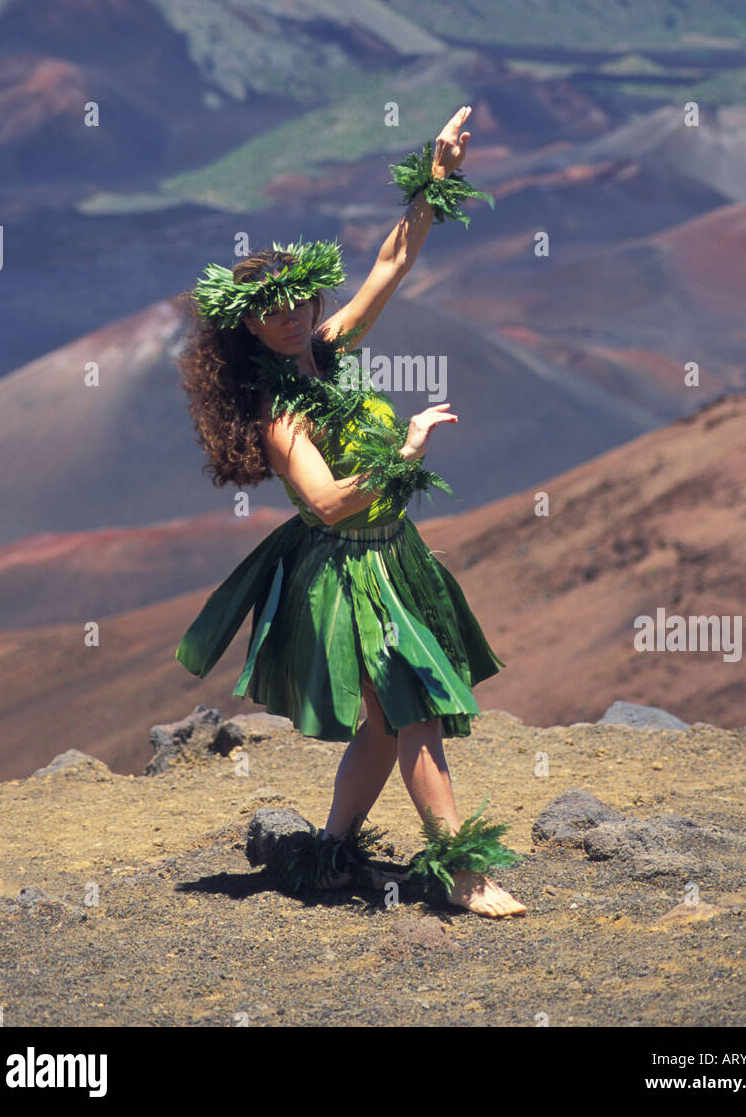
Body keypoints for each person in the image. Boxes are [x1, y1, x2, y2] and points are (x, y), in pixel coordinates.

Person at [175, 107, 526, 917]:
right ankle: (459, 872)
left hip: (391, 554)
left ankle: (328, 855)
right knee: (417, 710)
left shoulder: (327, 349)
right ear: (247, 329)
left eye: (299, 300)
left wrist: (435, 180)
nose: (291, 316)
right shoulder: (278, 415)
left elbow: (390, 264)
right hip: (348, 573)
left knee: (382, 725)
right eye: (271, 311)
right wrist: (400, 456)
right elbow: (327, 503)